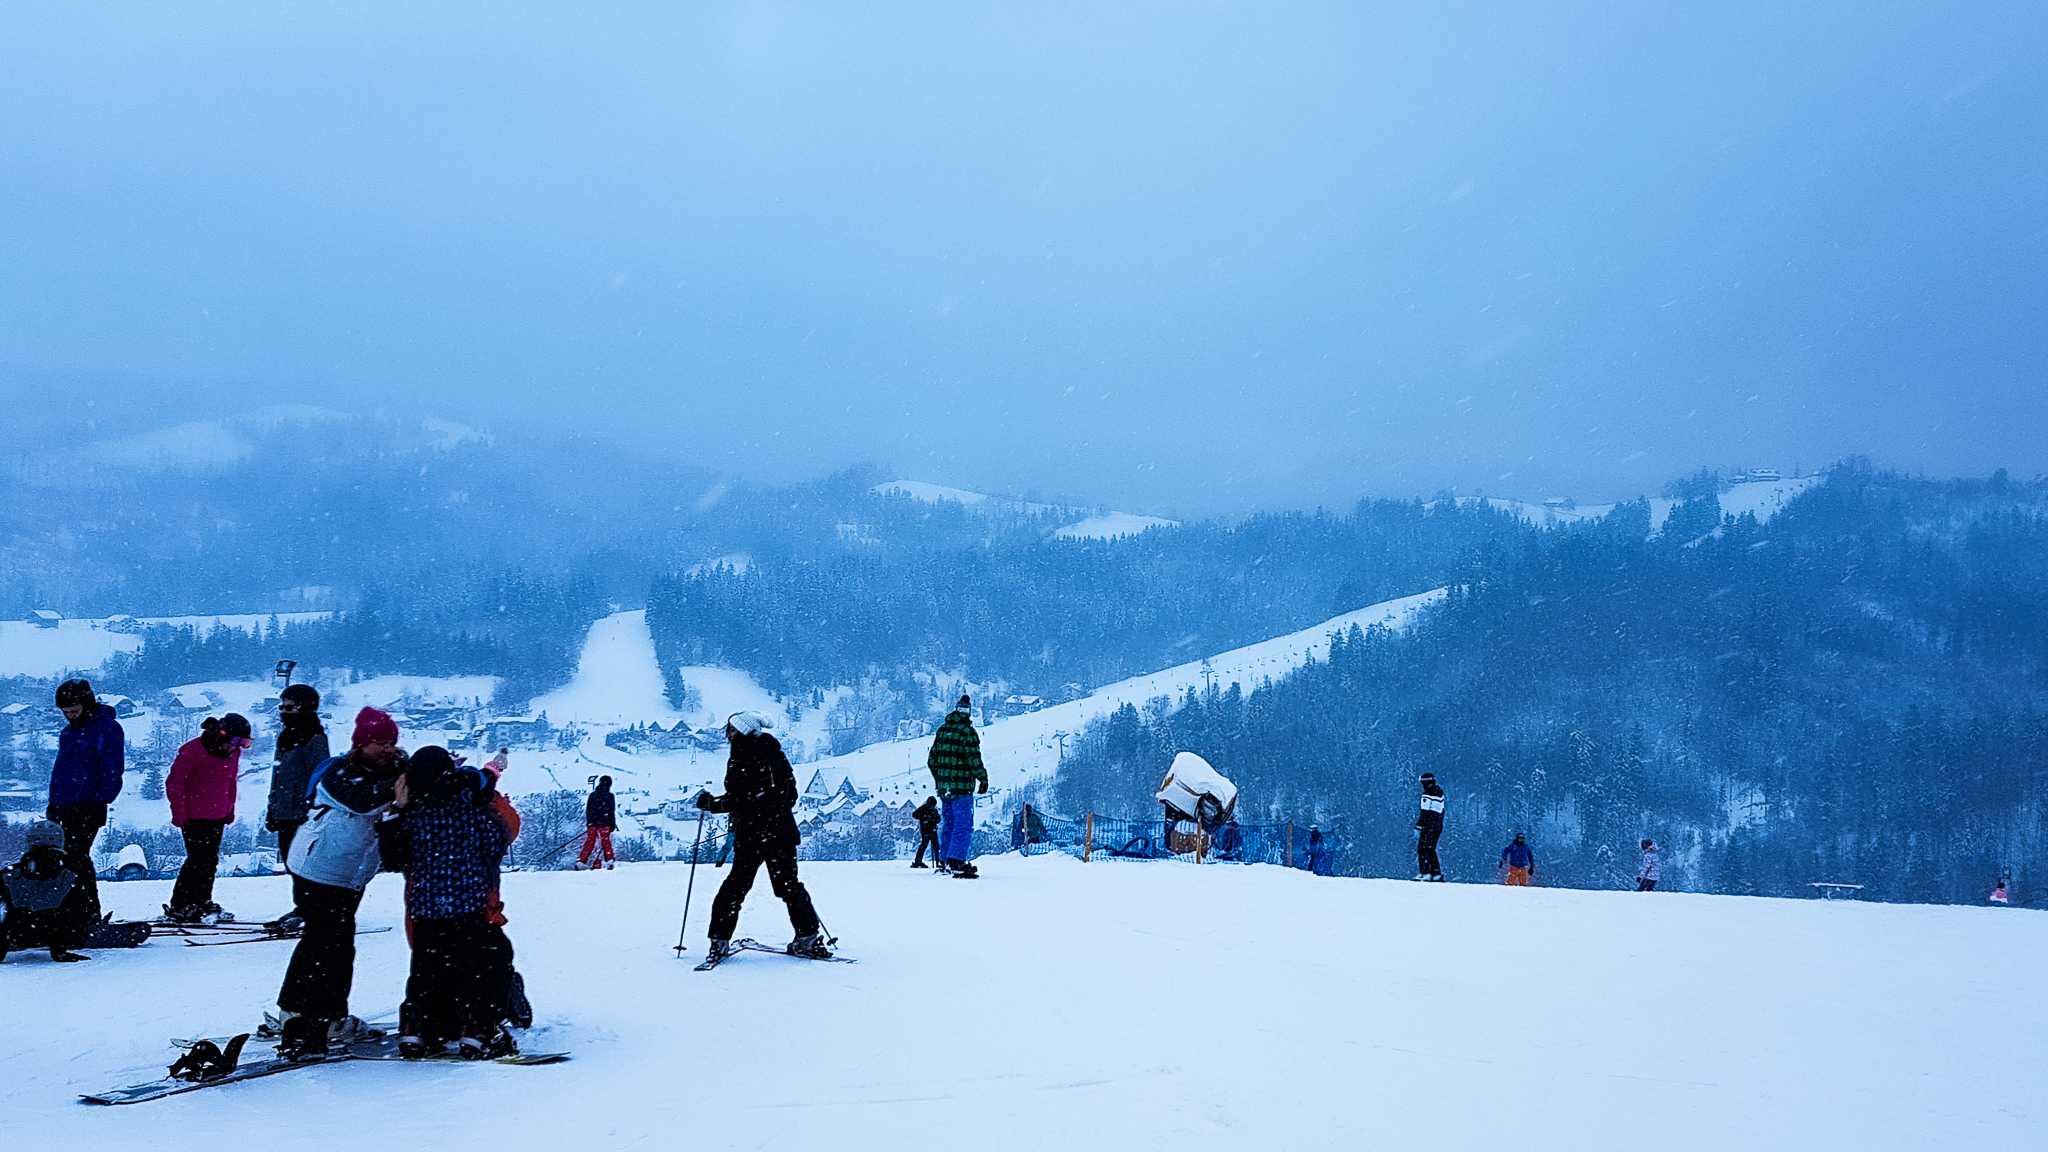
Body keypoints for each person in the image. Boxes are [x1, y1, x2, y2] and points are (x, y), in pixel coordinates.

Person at [274, 707, 406, 1061]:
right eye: (378, 742)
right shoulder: (338, 772)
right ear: (360, 743)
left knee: (323, 942)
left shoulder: (392, 772)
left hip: (350, 873)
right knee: (332, 946)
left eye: (391, 742)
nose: (386, 749)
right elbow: (363, 802)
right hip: (317, 868)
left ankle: (295, 1010)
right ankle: (324, 1017)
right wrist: (399, 789)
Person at [381, 746, 516, 1059]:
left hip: (426, 908)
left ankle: (416, 1029)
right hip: (467, 905)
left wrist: (394, 815)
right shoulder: (468, 808)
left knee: (425, 971)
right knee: (476, 969)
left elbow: (393, 858)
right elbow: (496, 840)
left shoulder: (412, 814)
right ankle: (477, 1031)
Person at [695, 712, 826, 961]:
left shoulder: (742, 755)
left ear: (740, 731)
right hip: (781, 832)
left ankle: (719, 941)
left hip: (752, 835)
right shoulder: (776, 755)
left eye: (730, 729)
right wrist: (770, 808)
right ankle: (807, 937)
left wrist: (712, 804)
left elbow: (742, 799)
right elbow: (789, 795)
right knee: (789, 886)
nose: (727, 734)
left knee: (735, 886)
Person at [47, 678, 124, 923]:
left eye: (74, 710)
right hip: (64, 806)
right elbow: (60, 771)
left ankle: (87, 915)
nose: (69, 715)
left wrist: (99, 800)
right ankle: (68, 914)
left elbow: (113, 770)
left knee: (77, 859)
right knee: (64, 861)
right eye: (65, 712)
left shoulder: (107, 728)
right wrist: (54, 801)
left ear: (87, 704)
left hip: (89, 806)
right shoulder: (68, 732)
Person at [164, 713, 252, 923]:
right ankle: (181, 904)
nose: (237, 747)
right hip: (193, 816)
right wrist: (179, 812)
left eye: (244, 743)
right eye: (235, 741)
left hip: (217, 815)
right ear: (221, 734)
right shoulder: (193, 750)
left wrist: (229, 808)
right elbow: (174, 783)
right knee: (197, 860)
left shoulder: (232, 753)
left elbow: (230, 782)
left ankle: (202, 900)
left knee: (209, 860)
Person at [0, 819, 93, 963]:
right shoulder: (72, 875)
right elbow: (81, 909)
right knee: (71, 906)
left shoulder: (8, 875)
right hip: (60, 937)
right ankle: (60, 950)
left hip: (16, 935)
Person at [266, 683, 330, 864]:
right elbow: (277, 778)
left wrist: (308, 811)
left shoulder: (315, 739)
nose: (283, 712)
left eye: (288, 707)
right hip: (285, 814)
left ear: (304, 708)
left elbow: (319, 779)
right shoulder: (285, 737)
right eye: (282, 707)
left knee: (303, 867)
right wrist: (273, 809)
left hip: (303, 817)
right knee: (290, 865)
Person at [927, 695, 989, 879]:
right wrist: (982, 779)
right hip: (962, 787)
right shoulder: (967, 732)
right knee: (963, 824)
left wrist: (941, 780)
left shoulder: (942, 730)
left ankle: (944, 860)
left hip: (945, 789)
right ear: (968, 712)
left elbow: (932, 760)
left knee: (949, 823)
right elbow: (973, 759)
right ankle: (957, 861)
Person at [578, 775, 617, 870]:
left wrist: (589, 822)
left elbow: (588, 810)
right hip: (605, 822)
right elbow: (611, 811)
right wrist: (612, 824)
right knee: (606, 842)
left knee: (589, 842)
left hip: (593, 823)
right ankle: (609, 861)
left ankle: (581, 861)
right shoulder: (610, 796)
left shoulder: (593, 795)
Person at [1415, 772, 1446, 882]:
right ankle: (1436, 873)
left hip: (1428, 826)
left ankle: (1425, 873)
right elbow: (1440, 812)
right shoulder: (1440, 793)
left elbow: (1425, 812)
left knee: (1422, 849)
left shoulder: (1427, 794)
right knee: (1431, 849)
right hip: (1438, 826)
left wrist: (1419, 826)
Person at [910, 795, 941, 869]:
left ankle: (918, 861)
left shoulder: (923, 808)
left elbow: (914, 814)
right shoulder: (933, 809)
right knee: (936, 846)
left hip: (924, 829)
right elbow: (938, 819)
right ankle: (938, 862)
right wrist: (932, 819)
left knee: (923, 845)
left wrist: (923, 818)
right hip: (932, 829)